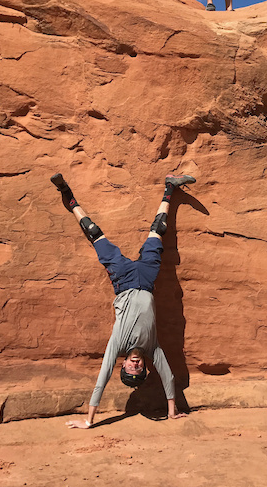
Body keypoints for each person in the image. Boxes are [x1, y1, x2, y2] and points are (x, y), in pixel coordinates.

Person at [50, 171, 196, 428]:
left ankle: (68, 196)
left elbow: (102, 380)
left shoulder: (116, 345)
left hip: (124, 280)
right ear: (143, 368)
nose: (135, 365)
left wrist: (89, 420)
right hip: (148, 278)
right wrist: (171, 411)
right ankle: (170, 188)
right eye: (138, 369)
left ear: (125, 364)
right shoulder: (153, 350)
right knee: (158, 232)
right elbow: (168, 377)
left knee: (94, 233)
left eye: (130, 368)